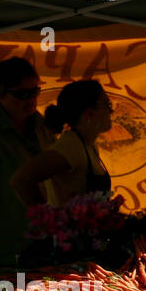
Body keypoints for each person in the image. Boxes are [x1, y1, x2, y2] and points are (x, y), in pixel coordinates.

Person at [12, 80, 113, 210]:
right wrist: (50, 220)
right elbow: (21, 180)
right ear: (89, 113)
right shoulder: (71, 146)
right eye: (107, 104)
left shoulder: (90, 146)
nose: (112, 111)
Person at [0, 58, 53, 264]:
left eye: (35, 92)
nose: (30, 100)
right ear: (0, 93)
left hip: (44, 241)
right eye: (22, 94)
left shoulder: (41, 125)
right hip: (6, 245)